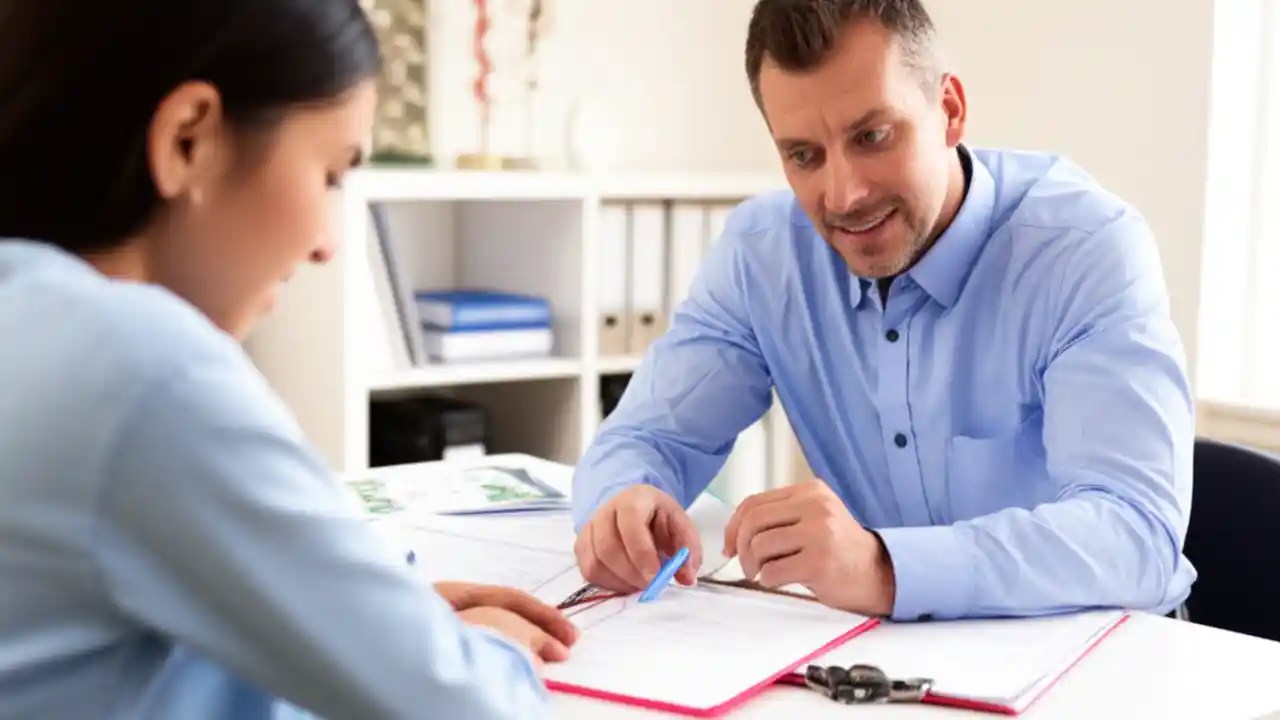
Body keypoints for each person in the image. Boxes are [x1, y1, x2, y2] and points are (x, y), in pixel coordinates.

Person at [0, 2, 574, 718]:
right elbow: (461, 707)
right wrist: (487, 651)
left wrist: (335, 618)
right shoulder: (142, 367)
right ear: (188, 140)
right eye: (332, 174)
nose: (327, 245)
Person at [572, 0, 1195, 622]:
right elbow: (649, 436)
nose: (844, 194)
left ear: (949, 111)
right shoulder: (762, 254)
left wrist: (884, 567)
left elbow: (1137, 537)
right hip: (889, 655)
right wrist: (623, 504)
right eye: (804, 156)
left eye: (872, 137)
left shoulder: (1082, 248)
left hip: (1097, 656)